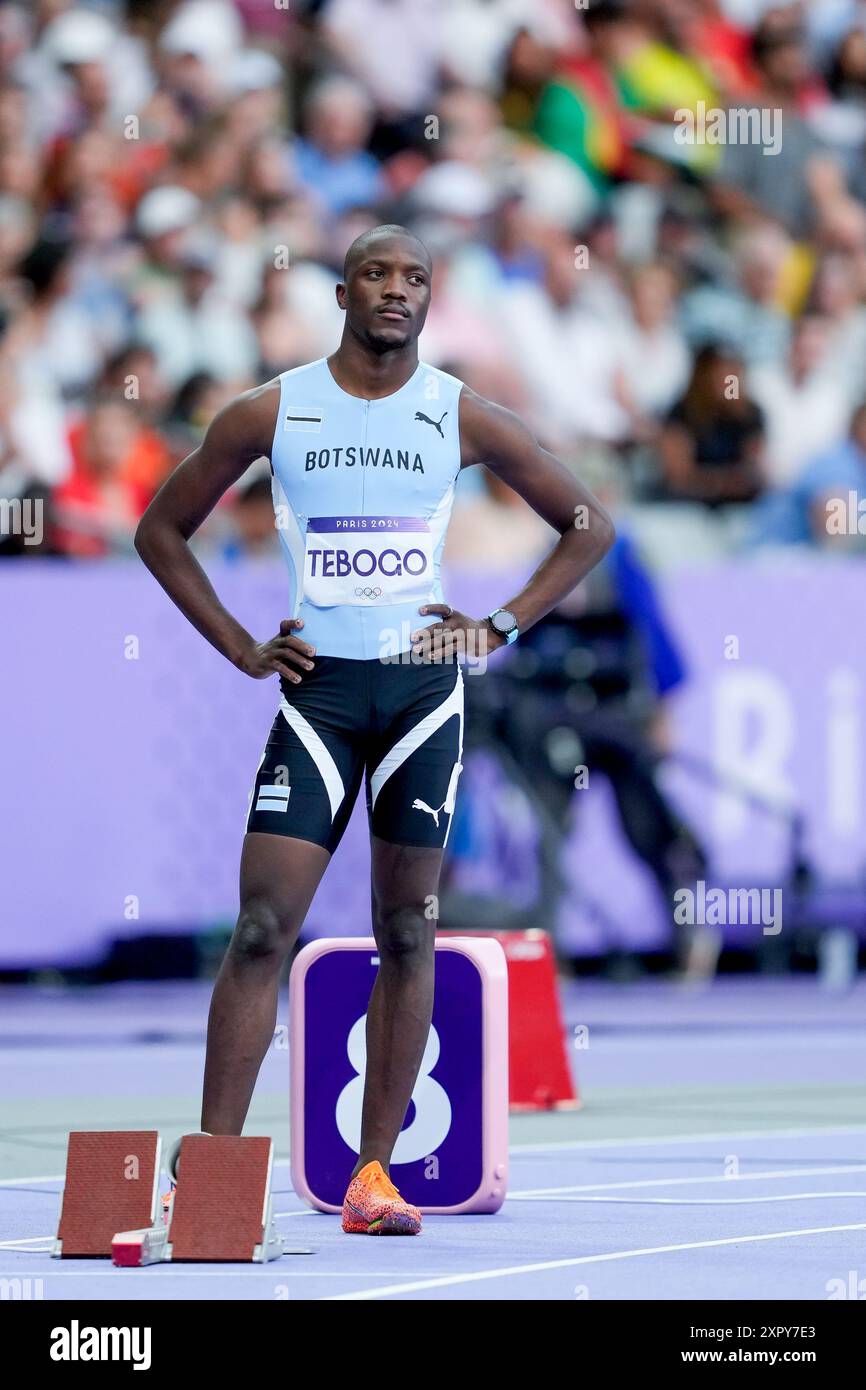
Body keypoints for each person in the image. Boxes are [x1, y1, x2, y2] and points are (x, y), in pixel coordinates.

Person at [134, 224, 614, 1236]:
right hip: (319, 699)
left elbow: (589, 524)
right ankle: (213, 1172)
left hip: (421, 697)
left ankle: (372, 1177)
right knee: (262, 929)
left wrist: (498, 626)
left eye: (415, 279)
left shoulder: (459, 413)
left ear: (429, 301)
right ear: (343, 295)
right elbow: (159, 530)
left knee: (406, 927)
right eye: (376, 275)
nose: (397, 290)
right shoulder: (273, 410)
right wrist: (238, 645)